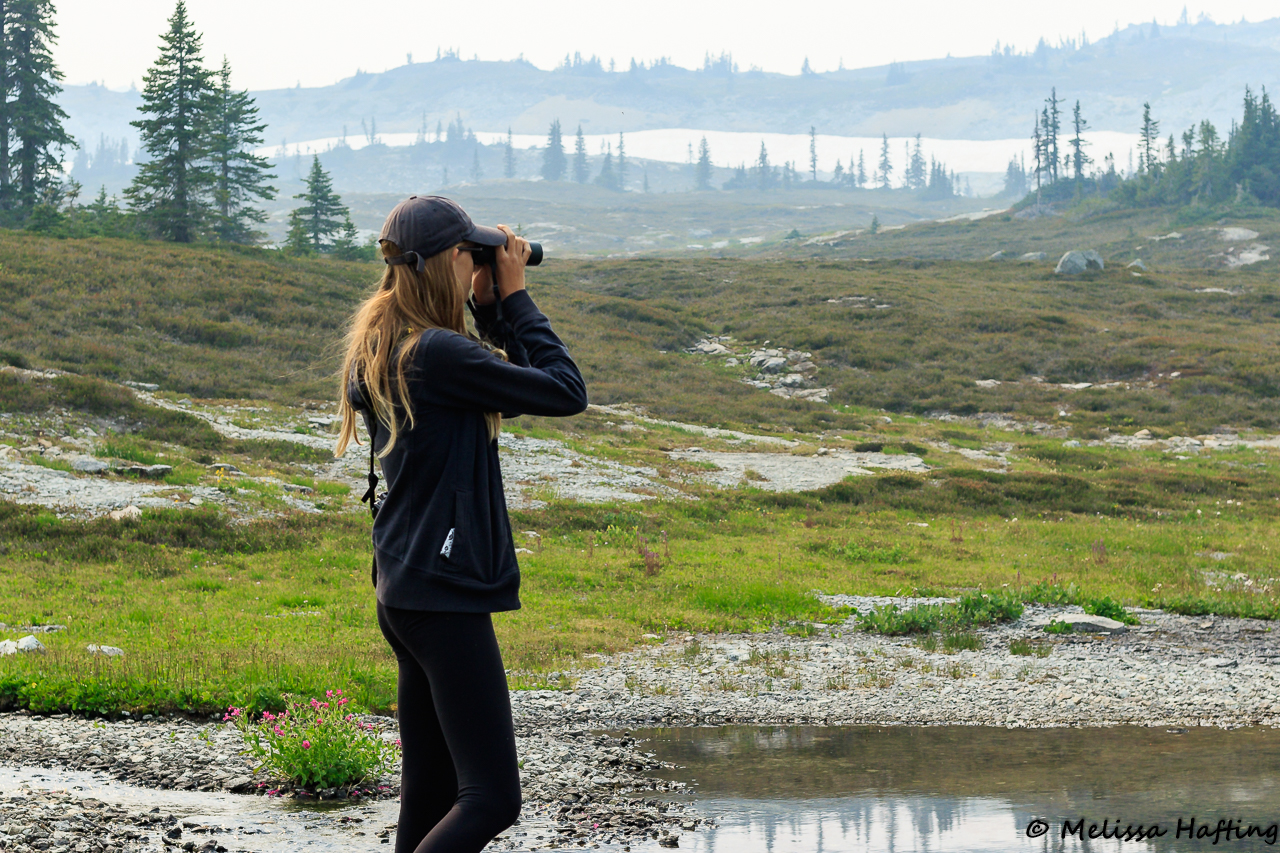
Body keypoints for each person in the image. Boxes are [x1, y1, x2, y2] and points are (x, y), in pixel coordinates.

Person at [335, 195, 588, 853]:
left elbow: (517, 391)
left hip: (406, 584)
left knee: (431, 788)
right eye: (467, 254)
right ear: (448, 260)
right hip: (442, 594)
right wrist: (517, 299)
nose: (476, 263)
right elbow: (564, 391)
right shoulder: (438, 355)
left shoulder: (389, 342)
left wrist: (488, 311)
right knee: (492, 797)